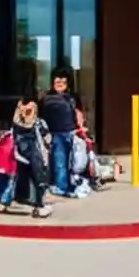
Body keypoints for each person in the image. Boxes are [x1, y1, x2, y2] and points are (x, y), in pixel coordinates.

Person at [39, 68, 81, 198]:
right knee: (60, 161)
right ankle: (60, 186)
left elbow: (77, 114)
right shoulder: (47, 98)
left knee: (73, 161)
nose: (60, 83)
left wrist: (80, 127)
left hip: (71, 132)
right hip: (56, 133)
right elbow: (41, 116)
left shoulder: (71, 97)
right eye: (57, 80)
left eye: (63, 80)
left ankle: (67, 184)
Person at [9, 100, 52, 218]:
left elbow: (47, 138)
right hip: (22, 156)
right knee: (25, 178)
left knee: (38, 179)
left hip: (34, 156)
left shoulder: (38, 124)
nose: (24, 114)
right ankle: (25, 199)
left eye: (28, 111)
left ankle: (38, 203)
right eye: (21, 111)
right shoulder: (16, 125)